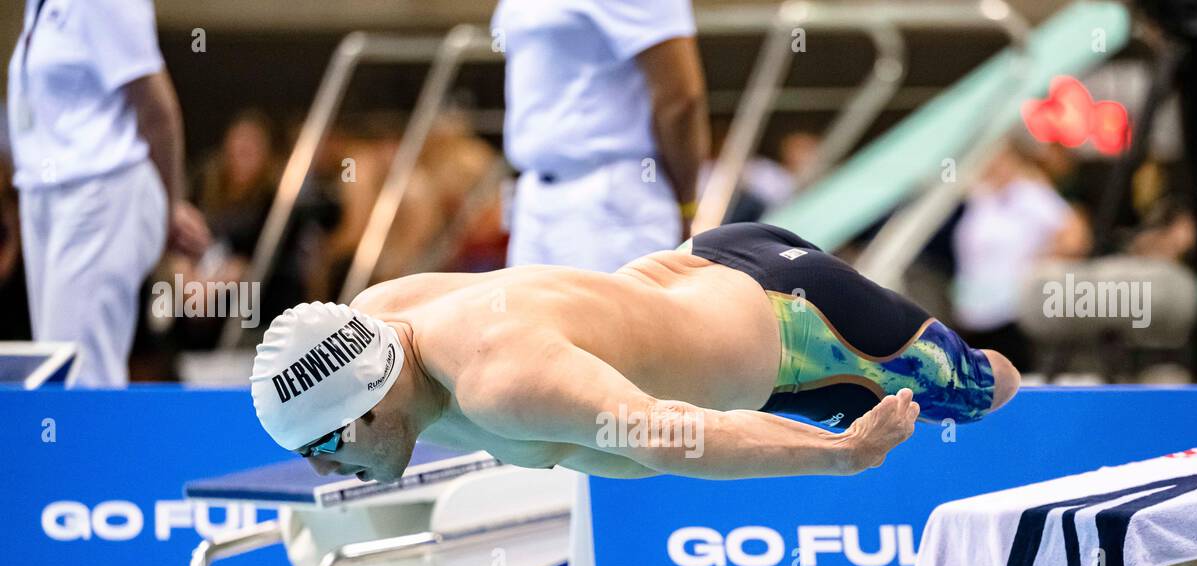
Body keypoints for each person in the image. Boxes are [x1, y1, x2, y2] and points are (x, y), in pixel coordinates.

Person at [250, 223, 1019, 483]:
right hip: (703, 268)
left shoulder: (498, 376)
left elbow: (668, 435)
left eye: (326, 445)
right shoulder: (378, 317)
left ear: (373, 399)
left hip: (805, 330)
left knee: (987, 389)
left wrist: (841, 453)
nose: (321, 467)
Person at [6, 0, 208, 386]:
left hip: (102, 190)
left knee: (81, 368)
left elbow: (158, 111)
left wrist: (169, 205)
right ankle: (64, 446)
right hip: (42, 195)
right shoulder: (38, 5)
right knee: (54, 364)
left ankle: (92, 445)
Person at [492, 0, 708, 270]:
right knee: (524, 313)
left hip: (610, 198)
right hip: (533, 194)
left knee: (614, 313)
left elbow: (681, 100)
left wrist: (686, 204)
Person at [951, 139, 1089, 371]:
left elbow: (1075, 238)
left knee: (1014, 379)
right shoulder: (980, 197)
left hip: (1011, 312)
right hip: (973, 313)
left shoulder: (1031, 195)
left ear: (1014, 161)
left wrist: (1040, 262)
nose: (993, 166)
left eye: (1000, 160)